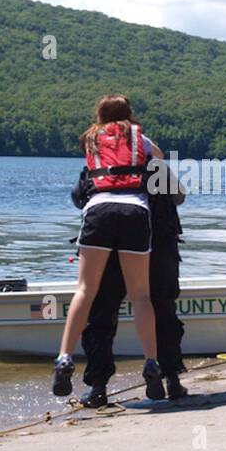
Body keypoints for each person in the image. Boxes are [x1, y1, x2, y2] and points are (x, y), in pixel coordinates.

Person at [53, 95, 165, 400]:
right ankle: (152, 365)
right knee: (141, 296)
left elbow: (83, 185)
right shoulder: (140, 139)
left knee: (85, 291)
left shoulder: (92, 139)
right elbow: (160, 158)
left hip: (98, 211)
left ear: (100, 116)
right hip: (134, 212)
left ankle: (64, 359)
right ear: (129, 115)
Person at [71, 155, 188, 406]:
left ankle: (98, 388)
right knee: (163, 312)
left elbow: (77, 198)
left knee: (100, 315)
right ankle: (172, 381)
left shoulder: (99, 166)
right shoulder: (155, 166)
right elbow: (179, 196)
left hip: (108, 249)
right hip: (159, 249)